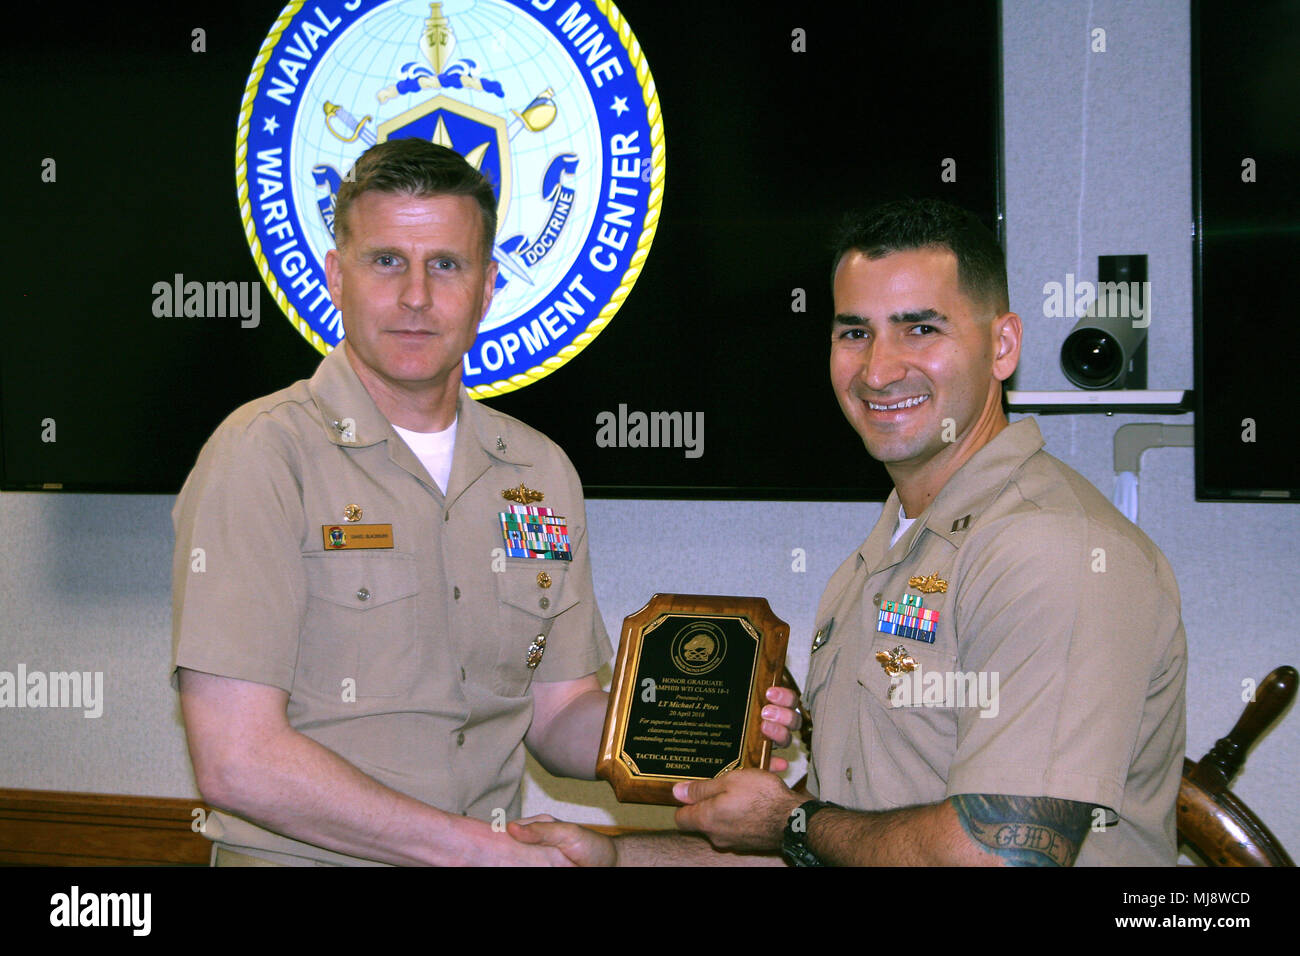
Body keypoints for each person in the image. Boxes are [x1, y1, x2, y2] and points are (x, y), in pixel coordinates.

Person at [169, 137, 802, 865]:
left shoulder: (537, 471)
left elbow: (557, 712)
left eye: (446, 264)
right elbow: (236, 758)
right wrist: (477, 852)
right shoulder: (262, 456)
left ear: (489, 287)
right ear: (334, 278)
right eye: (386, 262)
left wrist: (706, 732)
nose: (416, 295)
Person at [513, 198, 1187, 866]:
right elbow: (838, 842)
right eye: (854, 332)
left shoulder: (1049, 550)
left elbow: (1000, 856)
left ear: (1002, 344)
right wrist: (609, 857)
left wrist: (787, 822)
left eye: (920, 329)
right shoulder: (885, 555)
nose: (879, 369)